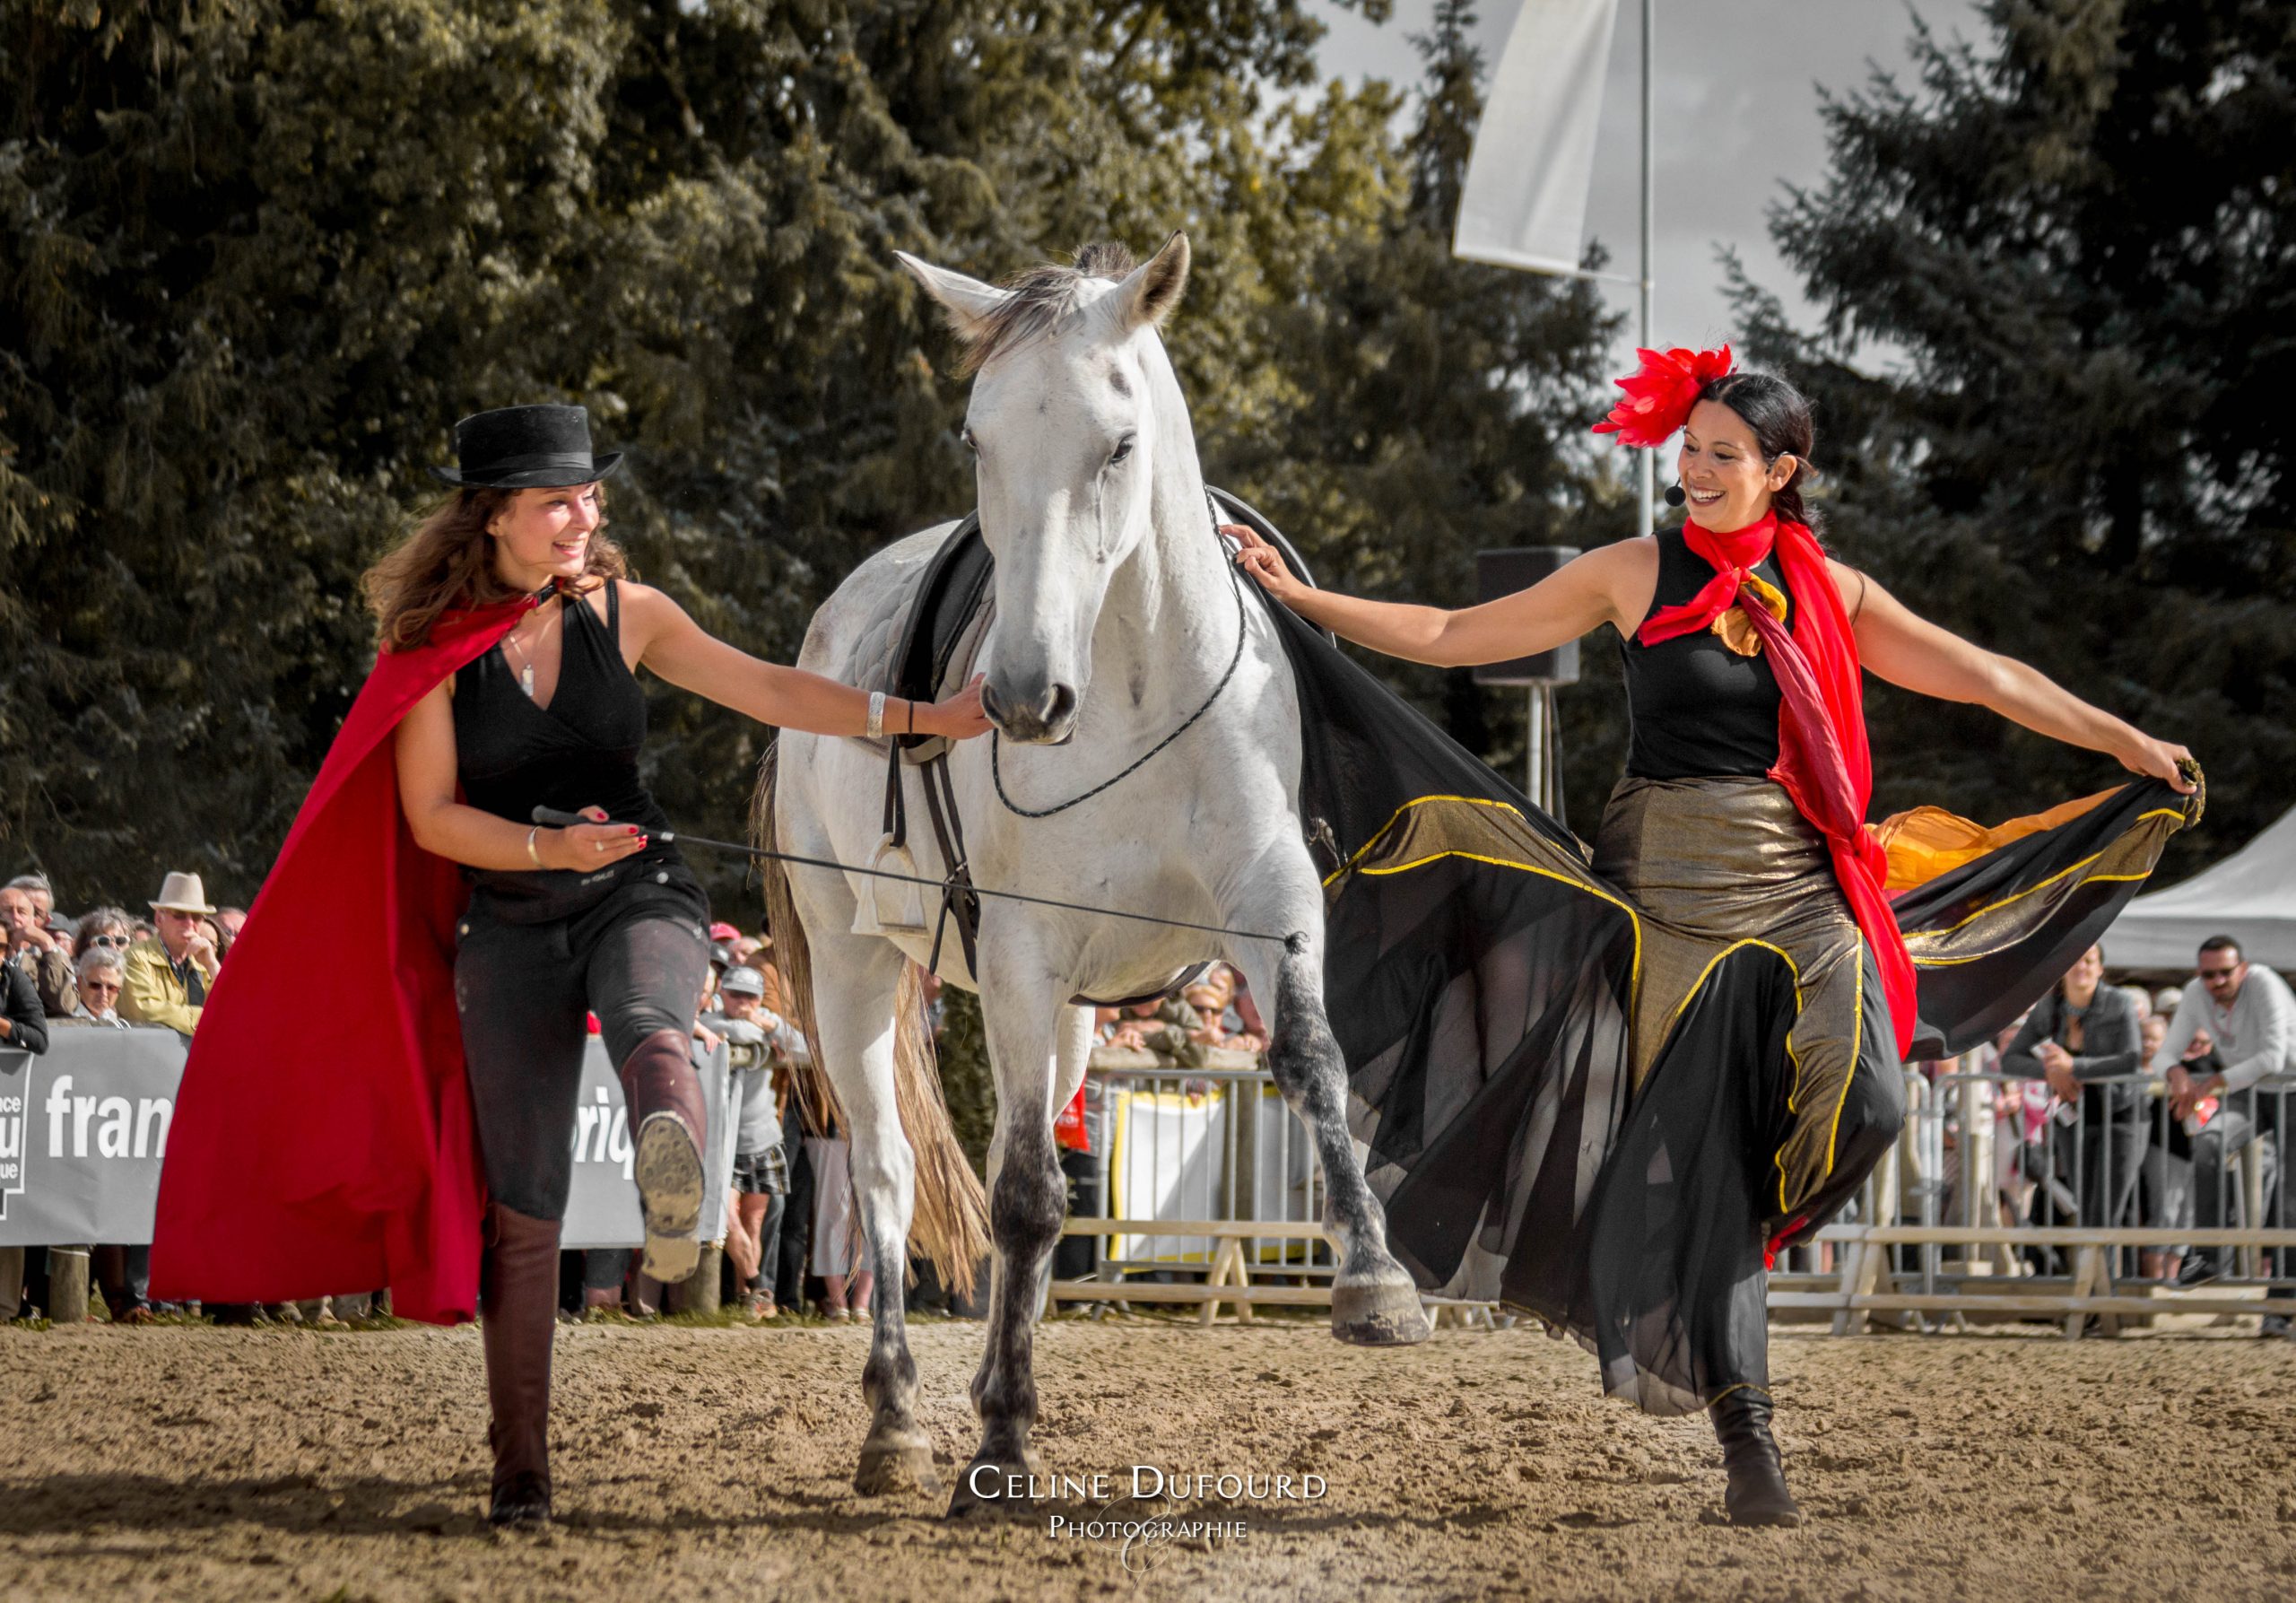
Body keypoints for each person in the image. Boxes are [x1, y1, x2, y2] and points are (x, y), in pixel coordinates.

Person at [1232, 353, 2197, 1526]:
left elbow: (1984, 676)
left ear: (1780, 470)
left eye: (1720, 454)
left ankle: (1726, 1236)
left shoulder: (1830, 591)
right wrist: (1304, 600)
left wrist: (2124, 739)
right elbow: (1449, 628)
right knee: (1715, 1178)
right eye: (1685, 448)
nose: (1691, 470)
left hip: (1801, 889)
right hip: (1664, 905)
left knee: (1875, 1102)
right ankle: (1750, 1435)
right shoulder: (1635, 571)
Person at [151, 404, 989, 1528]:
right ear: (492, 515)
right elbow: (434, 817)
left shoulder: (627, 611)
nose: (583, 517)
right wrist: (547, 845)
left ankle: (672, 1155)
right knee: (524, 1201)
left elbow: (775, 692)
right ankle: (521, 1469)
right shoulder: (431, 654)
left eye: (591, 496)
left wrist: (924, 716)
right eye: (558, 501)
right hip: (509, 921)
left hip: (639, 888)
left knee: (653, 1013)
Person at [2152, 937, 2294, 1286]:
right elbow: (2163, 1054)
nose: (2216, 981)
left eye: (2225, 973)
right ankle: (2210, 1255)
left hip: (2292, 1088)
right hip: (2248, 1089)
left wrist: (2209, 1083)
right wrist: (2176, 1073)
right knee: (2208, 1143)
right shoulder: (2195, 992)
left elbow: (2272, 1058)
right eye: (2208, 974)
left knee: (2290, 1201)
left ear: (2242, 969)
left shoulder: (2263, 982)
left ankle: (2283, 1302)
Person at [2000, 946, 2145, 1246]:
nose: (2082, 967)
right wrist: (2051, 1071)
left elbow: (2131, 1060)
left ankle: (2098, 1287)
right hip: (2074, 1117)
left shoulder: (2120, 1004)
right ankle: (2093, 1285)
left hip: (2120, 1115)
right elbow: (2010, 1059)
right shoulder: (2049, 1007)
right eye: (2076, 959)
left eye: (2090, 961)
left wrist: (2073, 1066)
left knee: (2106, 1210)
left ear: (2101, 969)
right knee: (2086, 1206)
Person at [718, 965, 789, 1318]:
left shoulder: (771, 1023)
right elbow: (718, 1027)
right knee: (724, 1215)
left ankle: (750, 1300)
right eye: (736, 995)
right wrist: (755, 1029)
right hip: (722, 1142)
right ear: (722, 993)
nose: (743, 1003)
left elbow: (807, 1045)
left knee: (754, 1223)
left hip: (762, 1137)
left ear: (761, 999)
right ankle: (758, 1283)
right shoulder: (711, 1021)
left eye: (751, 997)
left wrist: (771, 1026)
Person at [118, 873, 221, 1037]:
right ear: (159, 919)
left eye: (197, 917)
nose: (190, 923)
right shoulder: (135, 958)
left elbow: (232, 1008)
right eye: (179, 915)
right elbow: (146, 1013)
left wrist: (213, 966)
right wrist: (209, 1020)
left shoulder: (203, 962)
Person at [1, 880, 72, 1018]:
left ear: (34, 920)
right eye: (8, 911)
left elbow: (61, 1006)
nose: (16, 918)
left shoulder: (50, 958)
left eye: (22, 912)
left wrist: (47, 944)